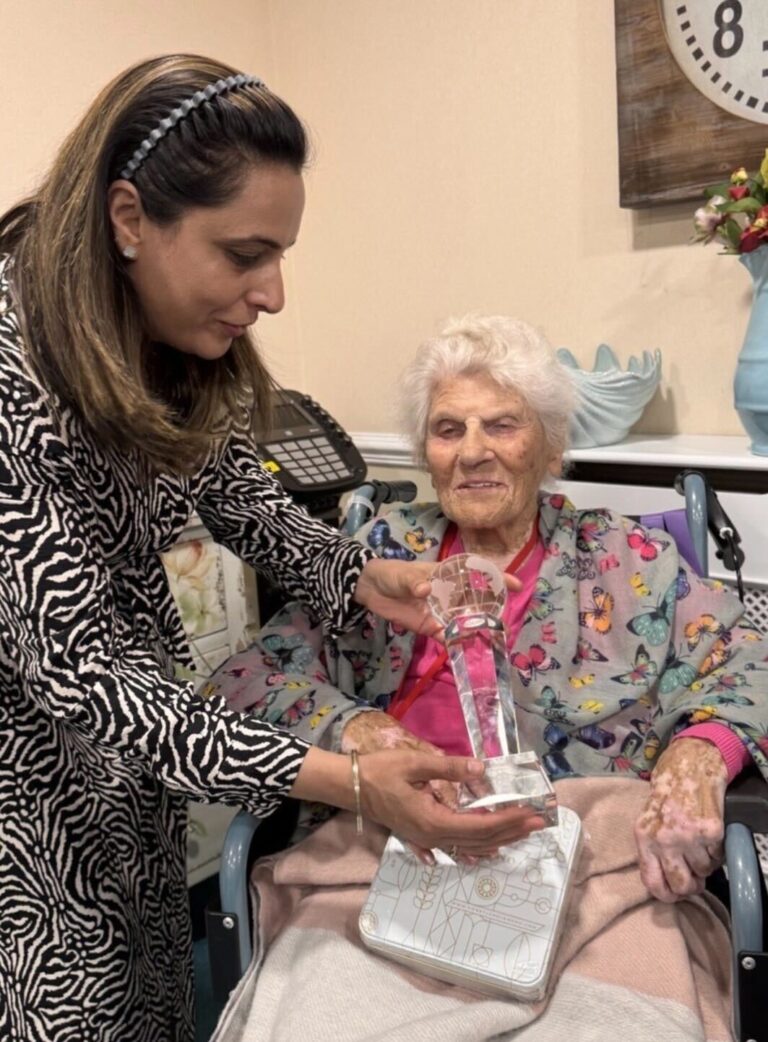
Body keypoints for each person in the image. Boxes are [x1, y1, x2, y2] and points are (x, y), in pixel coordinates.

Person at [0, 58, 541, 1042]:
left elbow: (233, 489)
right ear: (129, 217)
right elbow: (86, 676)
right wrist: (352, 777)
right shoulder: (13, 374)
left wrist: (361, 574)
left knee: (151, 989)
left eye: (280, 254)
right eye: (245, 254)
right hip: (27, 785)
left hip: (130, 771)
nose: (275, 293)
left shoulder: (144, 330)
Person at [207, 313, 768, 902]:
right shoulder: (384, 552)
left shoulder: (625, 557)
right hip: (387, 853)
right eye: (448, 430)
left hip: (581, 860)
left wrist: (702, 753)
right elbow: (243, 680)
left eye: (502, 425)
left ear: (551, 449)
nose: (473, 452)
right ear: (426, 455)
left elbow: (750, 664)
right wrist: (360, 731)